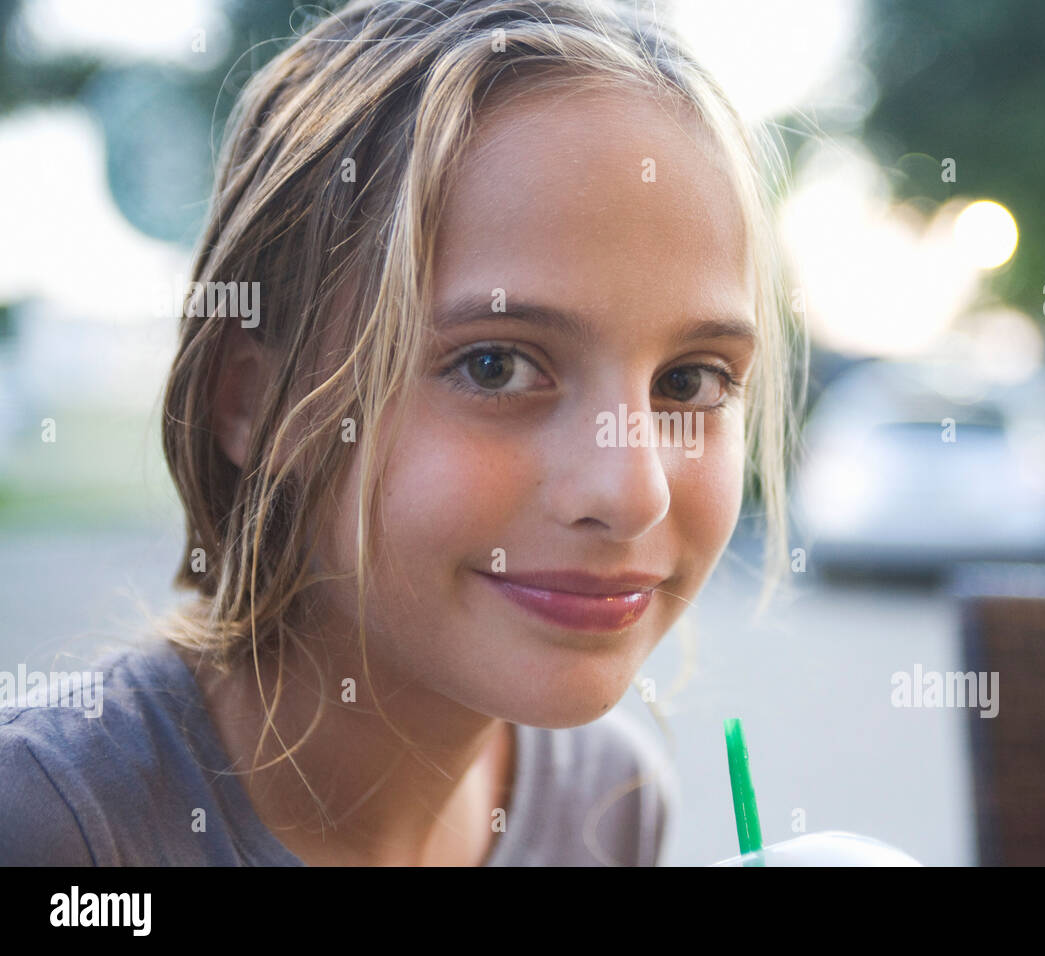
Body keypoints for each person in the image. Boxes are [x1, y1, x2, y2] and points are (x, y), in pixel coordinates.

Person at [0, 0, 804, 866]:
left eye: (690, 382)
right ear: (251, 404)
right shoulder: (54, 829)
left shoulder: (613, 804)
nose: (633, 492)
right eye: (496, 366)